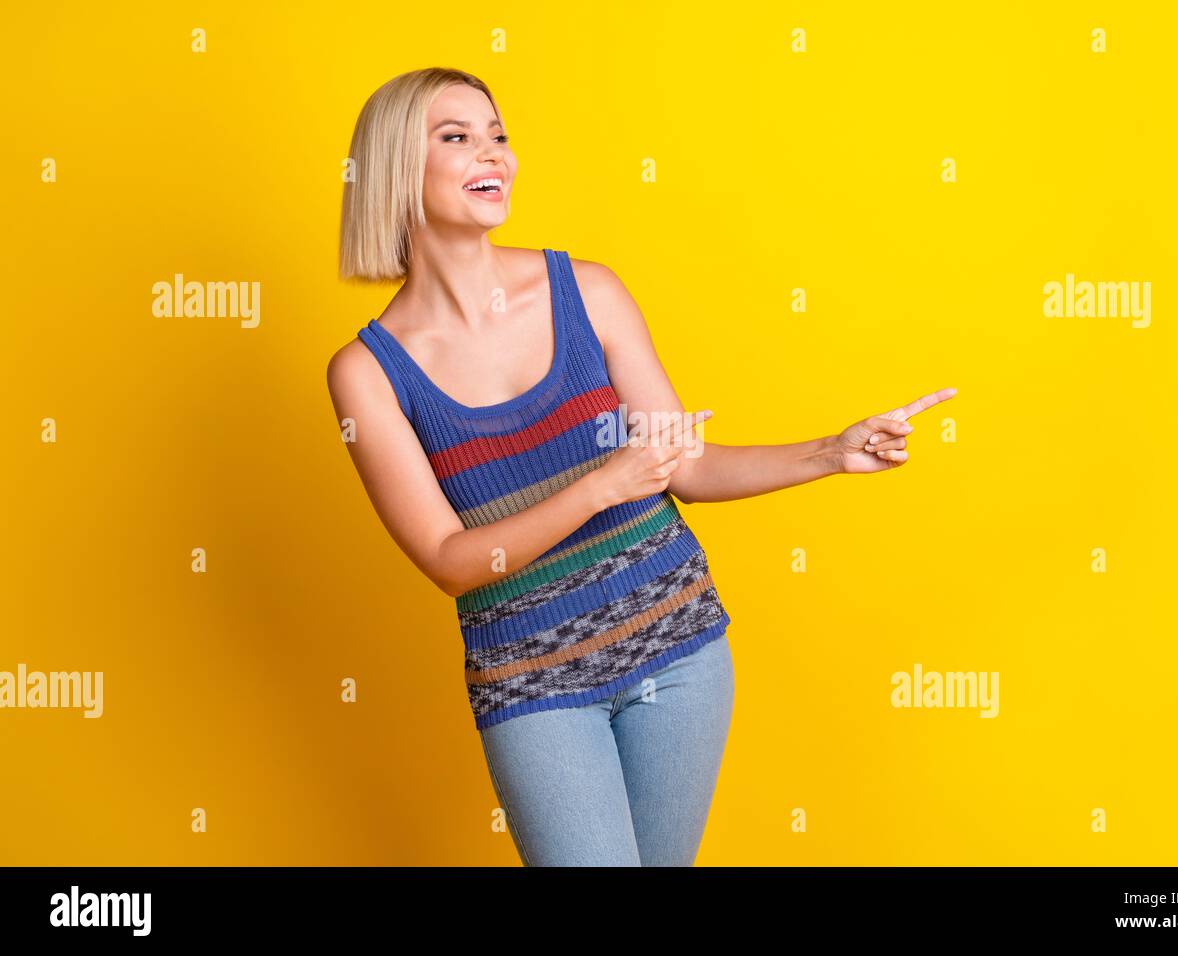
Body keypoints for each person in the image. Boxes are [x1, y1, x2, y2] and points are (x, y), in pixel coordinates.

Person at [325, 67, 957, 866]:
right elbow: (452, 561)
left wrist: (832, 451)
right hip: (530, 680)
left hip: (679, 646)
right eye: (457, 137)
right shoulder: (369, 372)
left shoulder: (589, 291)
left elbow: (683, 466)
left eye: (499, 134)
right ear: (392, 168)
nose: (494, 154)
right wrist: (603, 485)